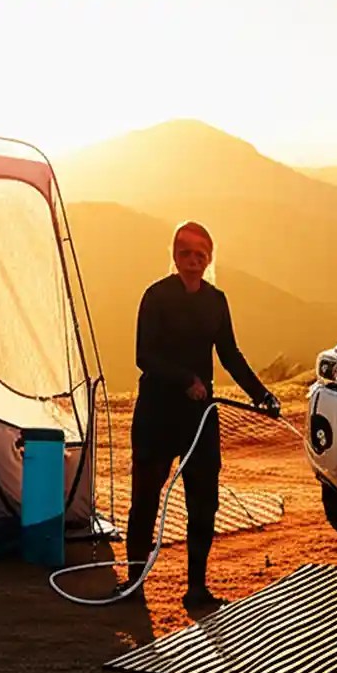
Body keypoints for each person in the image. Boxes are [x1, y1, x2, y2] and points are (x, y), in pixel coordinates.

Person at [124, 220, 279, 609]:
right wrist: (186, 379)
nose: (192, 259)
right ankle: (133, 585)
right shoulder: (155, 296)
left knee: (203, 502)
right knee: (145, 499)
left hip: (200, 416)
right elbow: (144, 356)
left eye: (200, 253)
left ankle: (196, 588)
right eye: (185, 252)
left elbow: (229, 354)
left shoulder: (216, 300)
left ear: (209, 258)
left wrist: (261, 394)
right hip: (158, 413)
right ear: (174, 256)